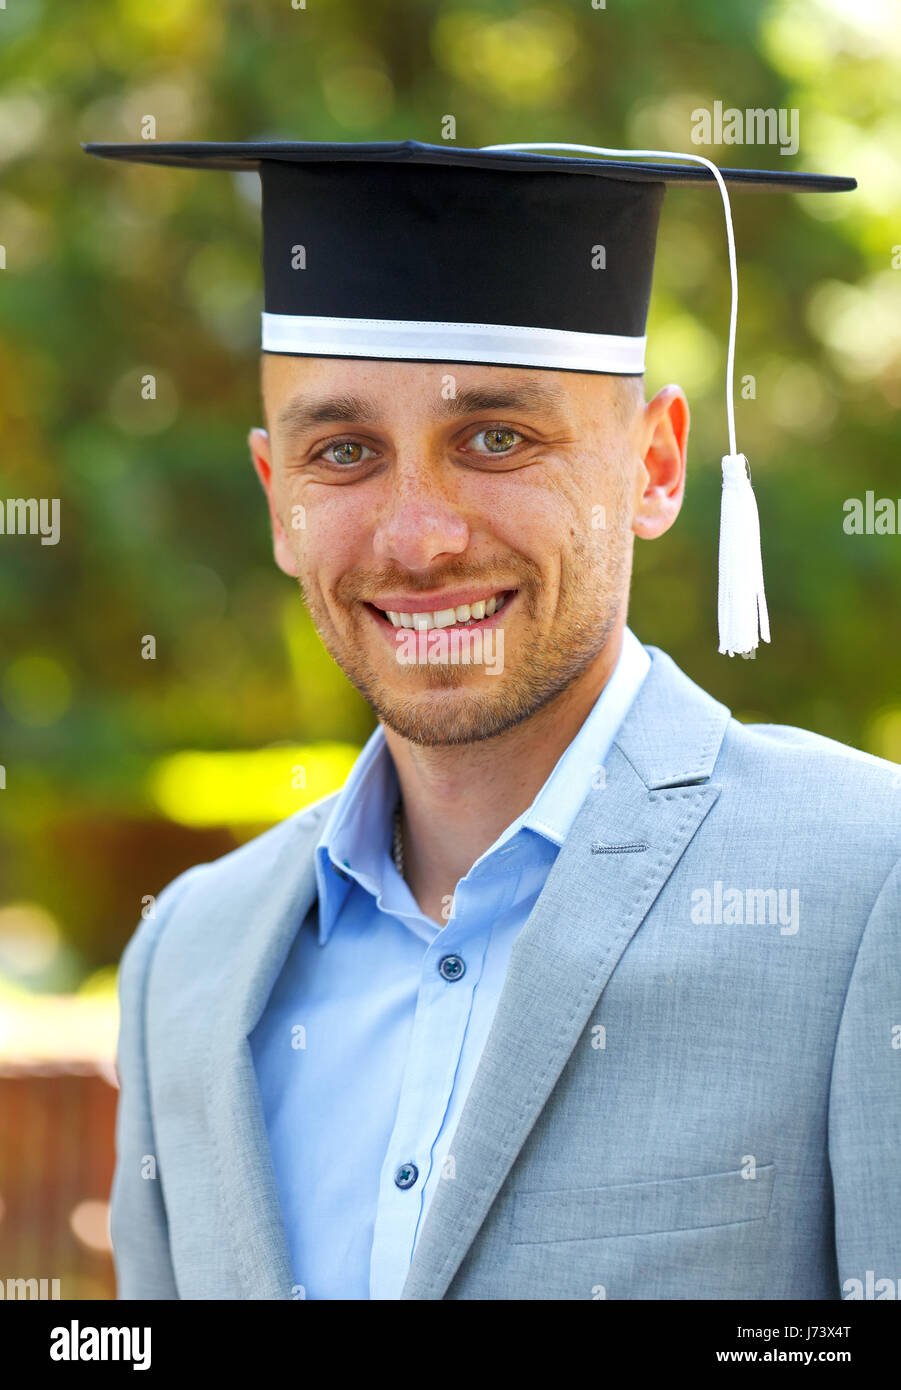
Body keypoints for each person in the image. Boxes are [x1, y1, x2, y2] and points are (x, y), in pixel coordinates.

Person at [84, 139, 900, 1300]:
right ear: (279, 501)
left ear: (655, 465)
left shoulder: (868, 887)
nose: (419, 538)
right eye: (346, 452)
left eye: (496, 438)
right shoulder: (190, 959)